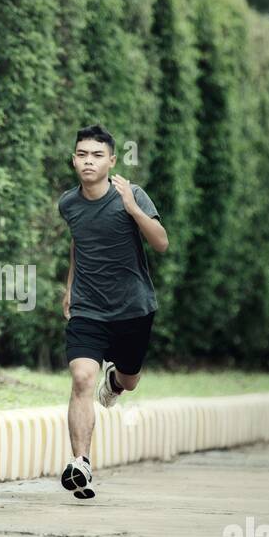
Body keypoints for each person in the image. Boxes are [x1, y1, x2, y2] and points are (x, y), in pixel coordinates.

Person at [57, 124, 168, 499]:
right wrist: (71, 287)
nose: (89, 161)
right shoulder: (68, 204)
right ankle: (81, 464)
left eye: (97, 155)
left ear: (112, 161)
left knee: (130, 380)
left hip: (133, 308)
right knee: (81, 378)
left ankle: (116, 384)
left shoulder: (130, 195)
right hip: (88, 308)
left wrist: (134, 208)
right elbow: (79, 242)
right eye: (82, 154)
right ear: (74, 159)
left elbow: (162, 242)